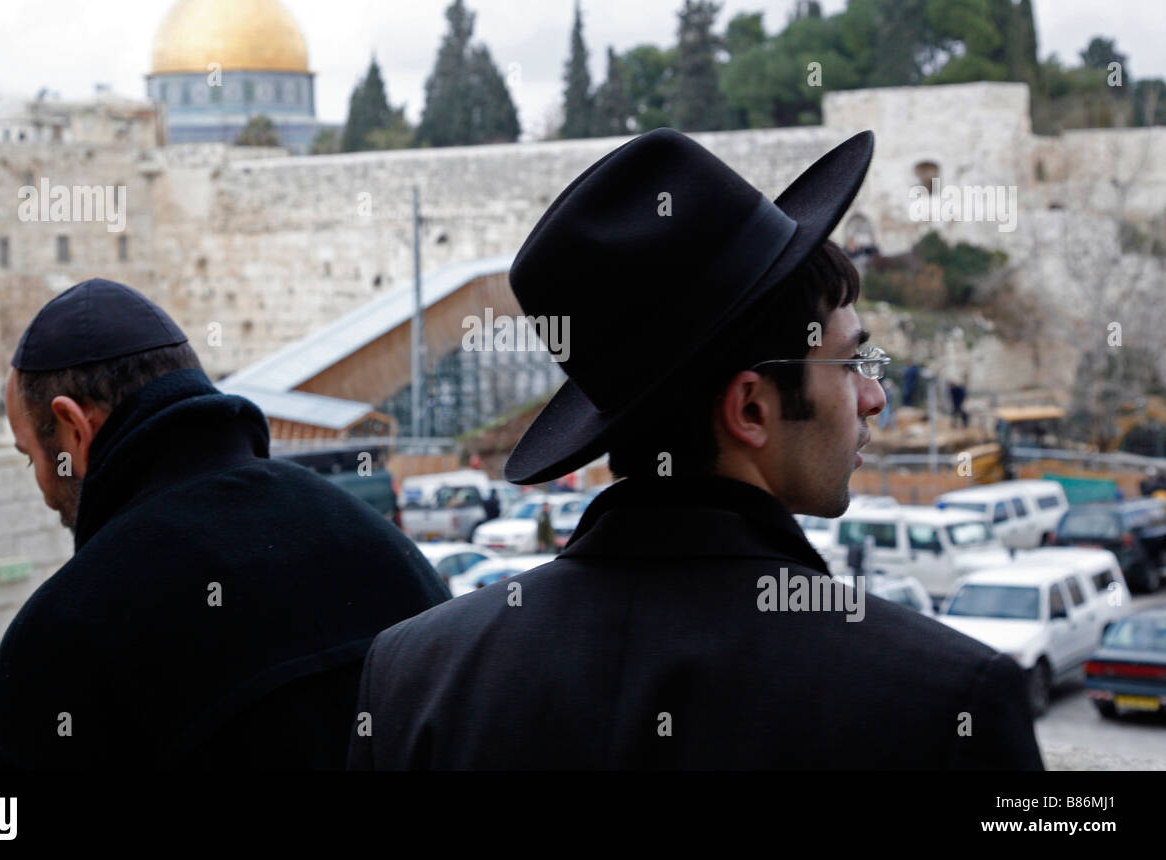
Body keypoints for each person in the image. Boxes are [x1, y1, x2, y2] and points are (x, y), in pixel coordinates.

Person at [349, 128, 1042, 770]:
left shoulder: (415, 678)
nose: (874, 397)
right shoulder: (947, 704)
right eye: (849, 365)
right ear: (749, 409)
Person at [0, 279, 448, 770]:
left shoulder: (65, 634)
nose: (45, 491)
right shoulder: (389, 552)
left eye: (32, 459)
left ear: (73, 427)